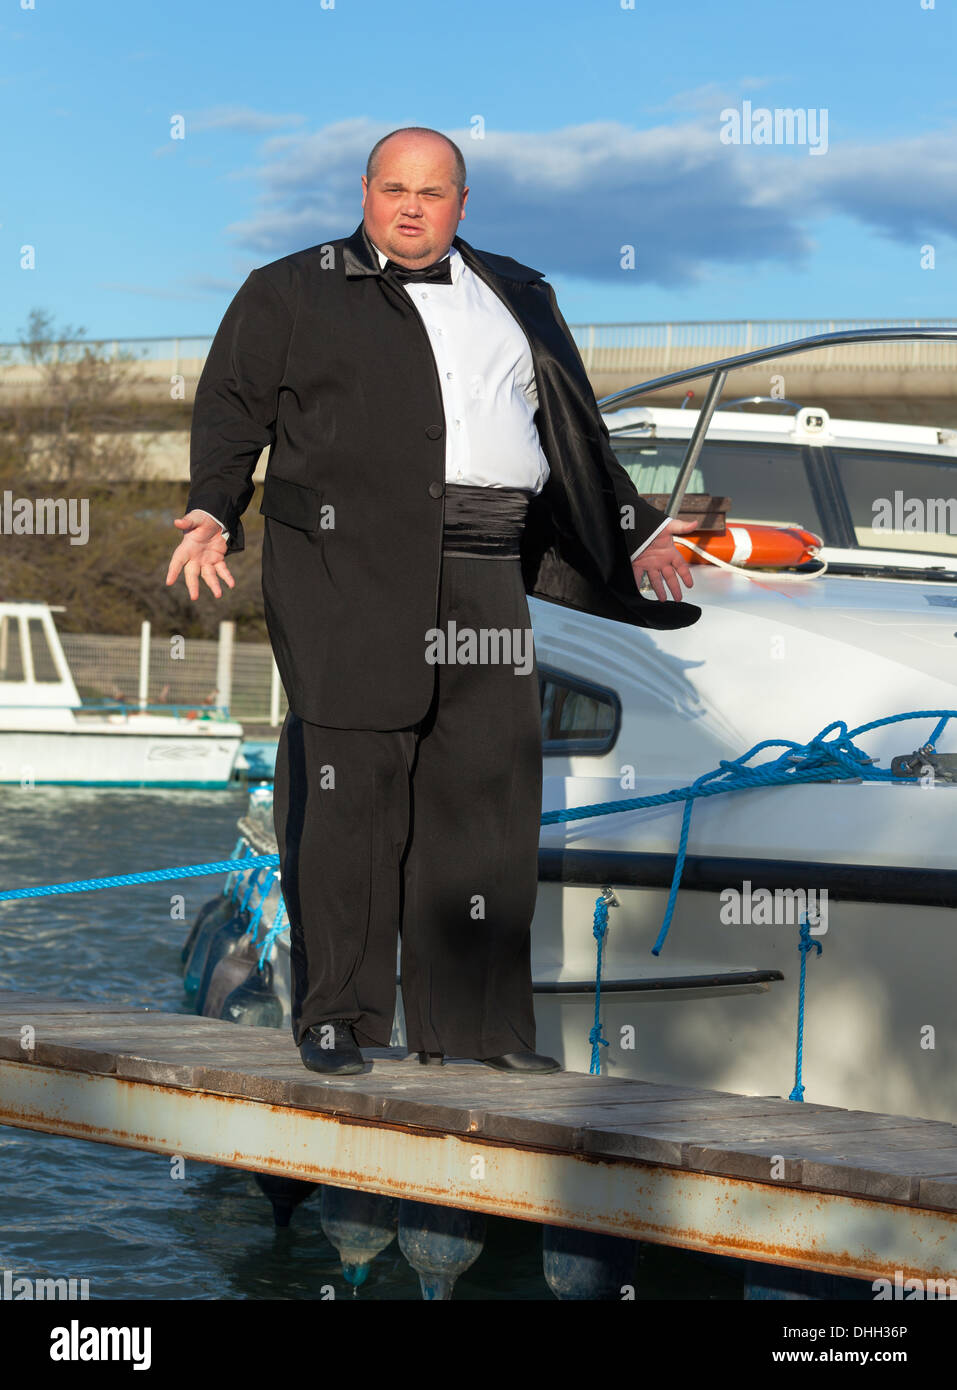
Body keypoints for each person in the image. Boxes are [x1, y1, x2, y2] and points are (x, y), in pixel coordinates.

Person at [166, 127, 700, 1077]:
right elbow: (231, 410)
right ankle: (337, 1018)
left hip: (487, 566)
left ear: (462, 202)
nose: (410, 207)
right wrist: (213, 509)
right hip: (347, 571)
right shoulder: (287, 289)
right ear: (364, 191)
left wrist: (633, 525)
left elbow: (570, 427)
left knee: (486, 798)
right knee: (350, 798)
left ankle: (482, 1033)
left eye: (432, 191)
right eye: (393, 188)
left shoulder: (519, 291)